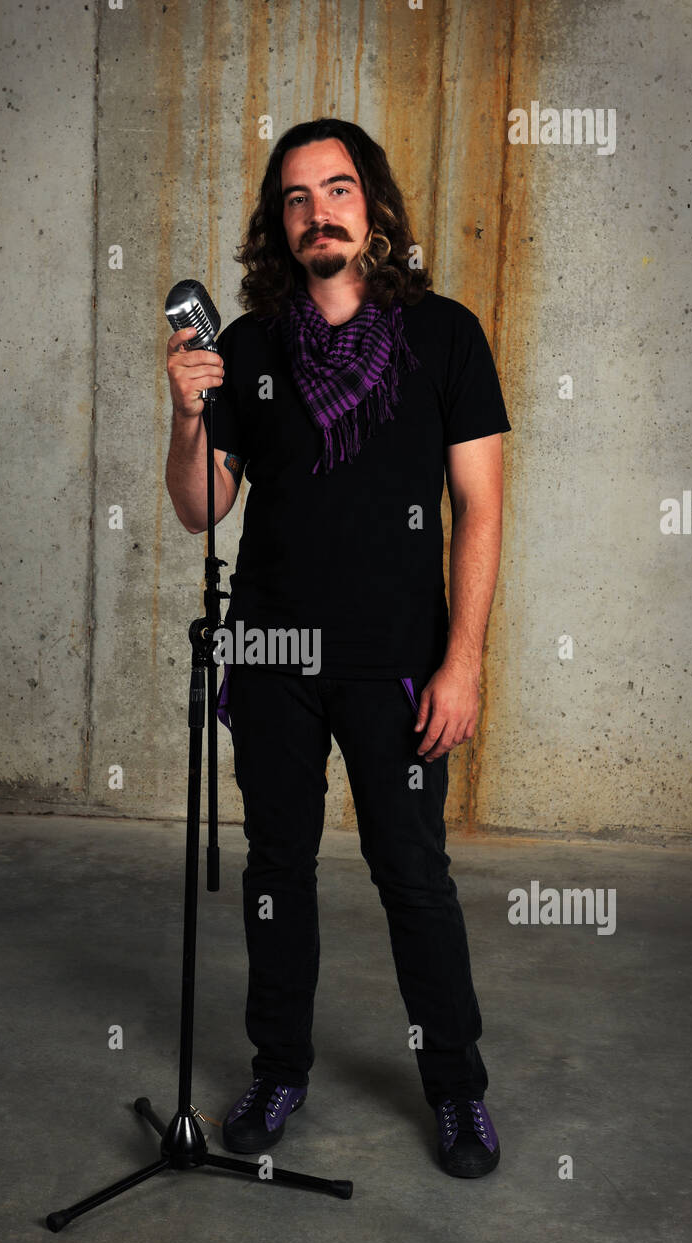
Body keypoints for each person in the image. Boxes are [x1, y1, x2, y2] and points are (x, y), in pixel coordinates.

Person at [165, 118, 510, 1179]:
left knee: (410, 870)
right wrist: (184, 418)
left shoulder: (444, 334)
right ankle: (279, 1068)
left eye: (338, 189)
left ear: (374, 208)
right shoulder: (252, 347)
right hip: (269, 647)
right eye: (296, 197)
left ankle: (454, 1088)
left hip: (396, 655)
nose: (319, 211)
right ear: (280, 223)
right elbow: (199, 509)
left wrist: (462, 661)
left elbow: (480, 509)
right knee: (277, 868)